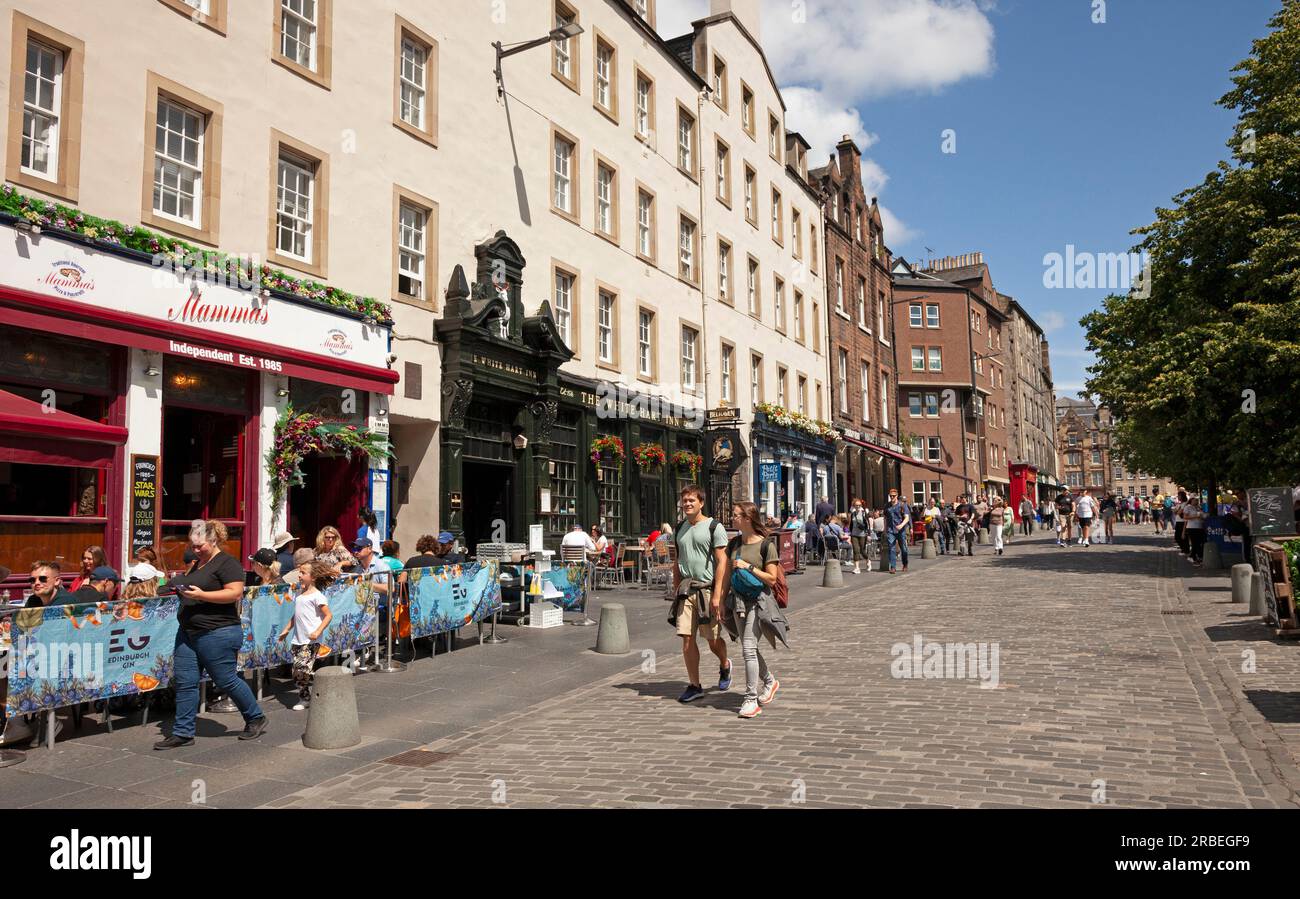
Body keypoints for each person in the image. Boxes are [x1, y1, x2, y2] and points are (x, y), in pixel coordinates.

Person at [156, 519, 266, 750]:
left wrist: (202, 596)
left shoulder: (227, 563)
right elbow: (188, 585)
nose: (195, 550)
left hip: (218, 631)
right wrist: (172, 587)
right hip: (188, 633)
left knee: (225, 678)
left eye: (200, 546)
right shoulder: (196, 564)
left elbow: (234, 593)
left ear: (213, 540)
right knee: (186, 682)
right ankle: (183, 732)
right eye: (192, 546)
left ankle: (255, 716)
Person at [722, 501, 788, 719]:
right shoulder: (734, 544)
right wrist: (721, 601)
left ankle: (750, 699)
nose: (732, 518)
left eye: (736, 515)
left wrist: (748, 566)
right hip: (738, 602)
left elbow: (771, 579)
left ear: (747, 519)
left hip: (759, 601)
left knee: (749, 648)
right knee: (747, 647)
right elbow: (725, 575)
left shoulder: (766, 545)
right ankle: (769, 681)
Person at [670, 485, 731, 704]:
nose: (687, 504)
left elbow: (722, 561)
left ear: (701, 503)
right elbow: (677, 562)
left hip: (707, 589)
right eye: (684, 500)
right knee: (686, 638)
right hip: (687, 590)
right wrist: (676, 589)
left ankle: (724, 664)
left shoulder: (714, 527)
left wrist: (718, 595)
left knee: (712, 639)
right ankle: (694, 685)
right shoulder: (679, 529)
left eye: (691, 500)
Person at [278, 559, 334, 711]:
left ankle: (317, 690)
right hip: (298, 639)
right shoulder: (300, 595)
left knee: (301, 667)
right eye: (299, 572)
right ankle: (305, 696)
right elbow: (296, 616)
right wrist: (286, 629)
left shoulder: (318, 596)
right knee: (297, 673)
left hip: (311, 640)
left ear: (313, 577)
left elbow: (328, 616)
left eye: (303, 573)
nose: (300, 576)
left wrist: (318, 631)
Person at [884, 488, 910, 574]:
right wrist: (885, 529)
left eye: (893, 496)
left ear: (897, 496)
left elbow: (907, 517)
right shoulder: (887, 506)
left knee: (904, 548)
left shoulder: (902, 505)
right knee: (892, 548)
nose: (892, 497)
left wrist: (901, 525)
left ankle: (905, 564)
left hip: (901, 530)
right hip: (891, 530)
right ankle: (893, 567)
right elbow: (885, 518)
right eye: (890, 496)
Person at [849, 498, 872, 574]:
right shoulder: (853, 513)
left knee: (862, 551)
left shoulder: (864, 513)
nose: (858, 507)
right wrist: (850, 533)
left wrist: (868, 534)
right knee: (856, 550)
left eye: (859, 505)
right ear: (854, 506)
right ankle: (857, 568)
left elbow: (868, 524)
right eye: (856, 505)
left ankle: (868, 560)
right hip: (854, 534)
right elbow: (851, 525)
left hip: (862, 534)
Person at [1183, 493, 1207, 566]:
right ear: (1191, 500)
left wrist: (1204, 516)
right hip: (1192, 528)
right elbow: (1185, 517)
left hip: (1200, 527)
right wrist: (1195, 516)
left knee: (1200, 543)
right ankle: (1193, 558)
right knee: (1195, 543)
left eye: (1197, 500)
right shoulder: (1188, 507)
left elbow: (1202, 515)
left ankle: (1197, 557)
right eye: (1195, 500)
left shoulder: (1198, 507)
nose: (1197, 501)